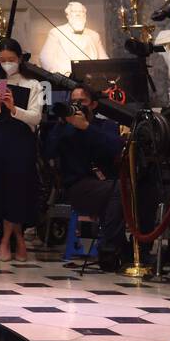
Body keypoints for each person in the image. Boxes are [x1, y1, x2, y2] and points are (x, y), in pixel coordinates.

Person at [43, 84, 126, 268]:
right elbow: (48, 153)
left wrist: (86, 127)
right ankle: (109, 249)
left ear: (93, 105)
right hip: (78, 187)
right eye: (73, 102)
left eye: (82, 102)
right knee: (118, 192)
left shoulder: (106, 126)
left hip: (105, 184)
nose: (77, 105)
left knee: (122, 191)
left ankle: (124, 250)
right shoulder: (63, 128)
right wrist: (62, 124)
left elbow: (114, 148)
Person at [0, 38, 44, 262]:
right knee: (0, 188)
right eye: (3, 60)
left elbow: (36, 118)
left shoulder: (32, 84)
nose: (7, 64)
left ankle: (10, 239)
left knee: (19, 188)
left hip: (22, 140)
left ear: (20, 59)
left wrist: (13, 108)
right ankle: (12, 238)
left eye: (11, 60)